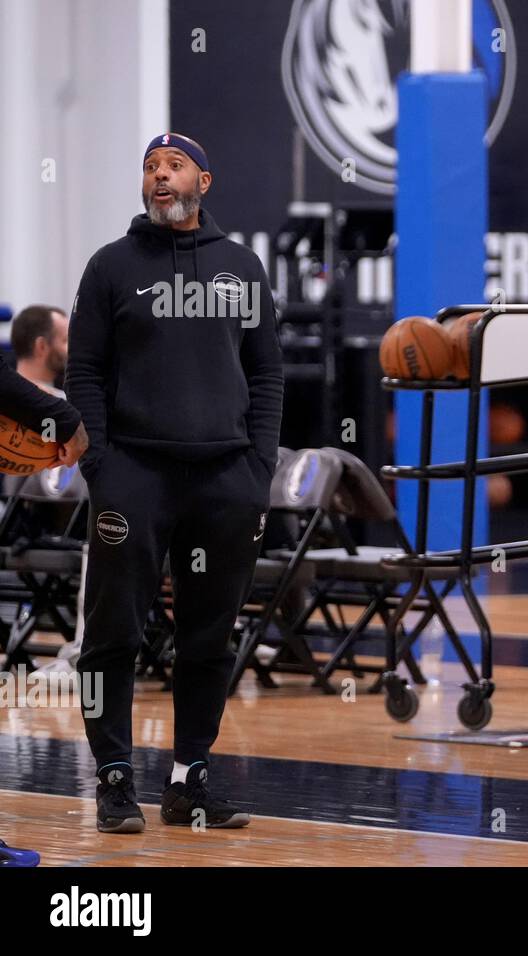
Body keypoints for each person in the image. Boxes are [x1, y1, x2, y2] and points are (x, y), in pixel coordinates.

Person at [65, 132, 283, 834]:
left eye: (174, 166)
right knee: (111, 636)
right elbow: (84, 375)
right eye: (151, 168)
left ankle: (191, 779)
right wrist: (100, 463)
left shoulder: (242, 268)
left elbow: (268, 374)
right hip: (133, 475)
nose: (160, 177)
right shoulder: (110, 267)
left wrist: (259, 467)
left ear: (203, 183)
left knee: (210, 638)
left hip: (225, 479)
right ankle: (114, 779)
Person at [11, 305, 87, 677]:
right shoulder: (57, 410)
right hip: (34, 525)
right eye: (65, 339)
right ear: (42, 347)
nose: (73, 347)